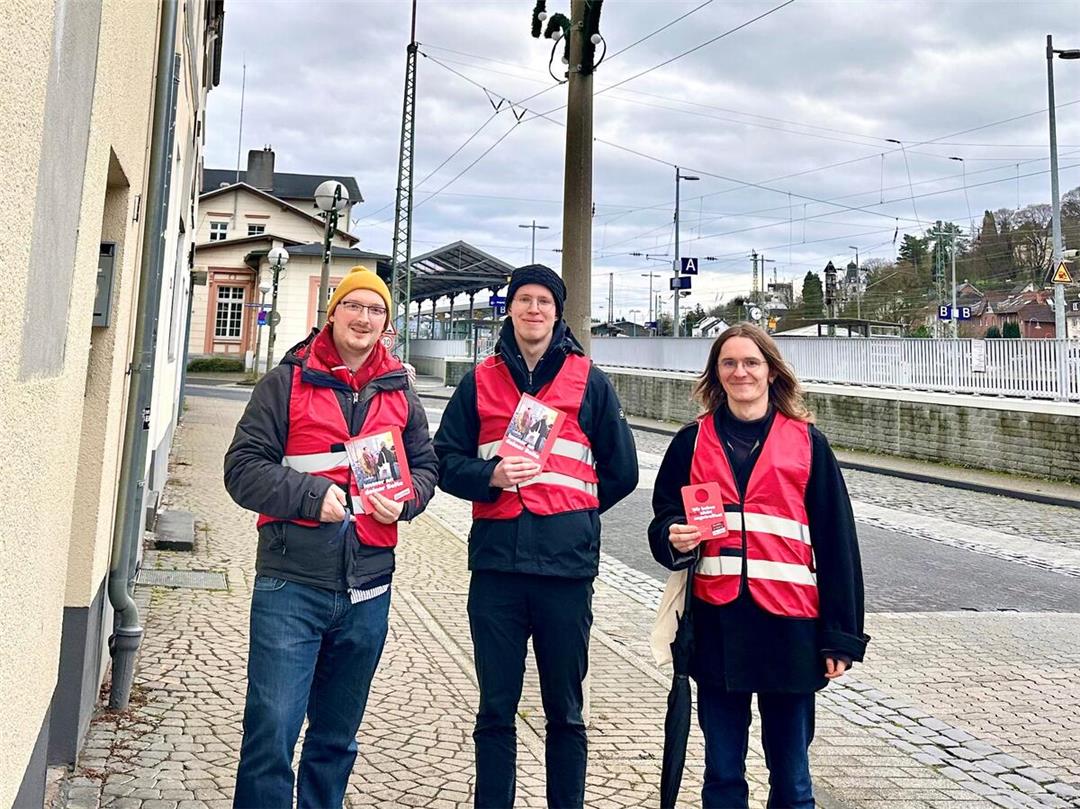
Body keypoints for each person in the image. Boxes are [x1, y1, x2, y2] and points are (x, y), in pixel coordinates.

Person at [224, 266, 438, 809]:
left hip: (369, 588)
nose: (364, 318)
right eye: (353, 306)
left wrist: (407, 501)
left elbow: (426, 467)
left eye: (375, 310)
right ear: (332, 313)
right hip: (291, 584)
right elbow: (242, 470)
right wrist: (309, 496)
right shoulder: (286, 382)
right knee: (272, 732)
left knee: (336, 740)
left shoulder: (401, 391)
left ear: (387, 324)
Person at [434, 264, 639, 809]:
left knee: (565, 713)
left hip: (564, 571)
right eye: (524, 299)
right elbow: (444, 461)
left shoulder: (589, 380)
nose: (533, 309)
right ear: (510, 308)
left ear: (557, 312)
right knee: (495, 710)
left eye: (544, 301)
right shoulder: (480, 381)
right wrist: (491, 477)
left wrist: (575, 514)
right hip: (497, 568)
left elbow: (622, 471)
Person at [648, 323, 869, 809]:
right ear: (716, 373)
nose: (740, 372)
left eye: (751, 362)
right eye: (728, 363)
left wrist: (842, 636)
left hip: (790, 631)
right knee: (722, 776)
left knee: (792, 782)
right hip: (717, 628)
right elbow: (664, 518)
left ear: (771, 372)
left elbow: (837, 544)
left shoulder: (809, 444)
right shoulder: (690, 443)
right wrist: (672, 535)